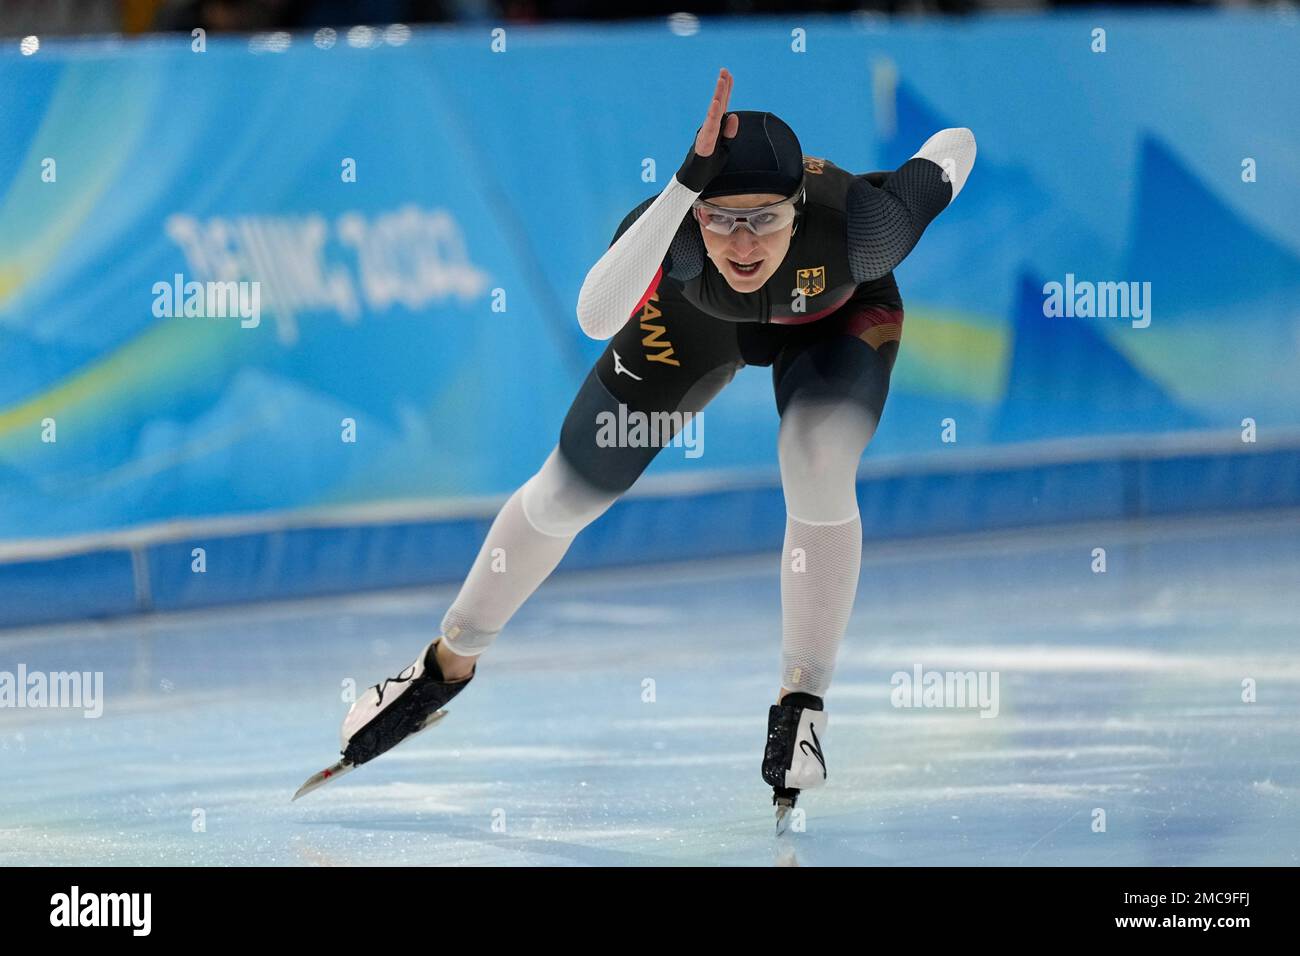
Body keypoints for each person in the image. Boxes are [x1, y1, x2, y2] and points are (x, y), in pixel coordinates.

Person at [324, 68, 975, 824]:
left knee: (816, 459)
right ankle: (446, 663)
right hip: (691, 319)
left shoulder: (867, 227)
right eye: (721, 219)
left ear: (798, 211)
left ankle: (803, 706)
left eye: (764, 220)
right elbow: (596, 314)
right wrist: (681, 191)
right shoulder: (680, 234)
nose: (741, 243)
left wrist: (926, 167)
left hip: (834, 315)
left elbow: (955, 144)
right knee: (571, 487)